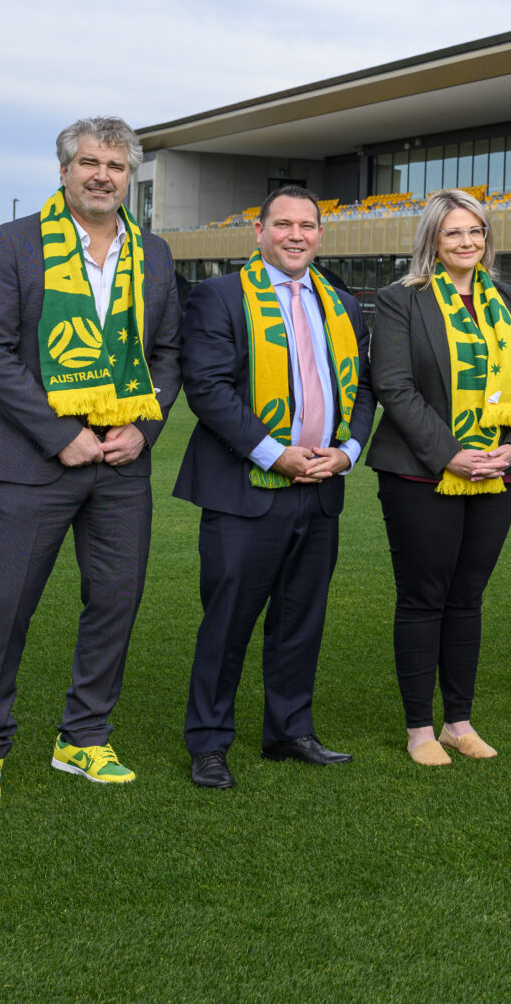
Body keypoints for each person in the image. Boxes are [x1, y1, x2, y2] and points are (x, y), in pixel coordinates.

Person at [0, 116, 182, 809]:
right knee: (7, 604)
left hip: (121, 461)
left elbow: (167, 354)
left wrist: (145, 426)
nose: (102, 175)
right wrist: (60, 433)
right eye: (89, 161)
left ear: (129, 177)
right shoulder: (13, 243)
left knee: (116, 599)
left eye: (116, 165)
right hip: (34, 458)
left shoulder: (155, 252)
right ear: (64, 171)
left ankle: (83, 734)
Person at [173, 186, 378, 789]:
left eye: (308, 226)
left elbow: (362, 390)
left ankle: (289, 731)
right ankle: (209, 742)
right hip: (246, 488)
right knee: (228, 621)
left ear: (319, 234)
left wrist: (347, 452)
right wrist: (274, 454)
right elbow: (207, 387)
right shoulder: (219, 295)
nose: (296, 235)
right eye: (282, 224)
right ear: (257, 232)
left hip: (319, 488)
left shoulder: (341, 303)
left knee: (301, 619)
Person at [367, 190, 511, 765]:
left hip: (496, 474)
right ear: (432, 241)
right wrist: (450, 454)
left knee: (468, 597)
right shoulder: (401, 300)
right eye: (454, 233)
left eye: (476, 232)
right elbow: (394, 386)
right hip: (421, 473)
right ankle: (420, 728)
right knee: (424, 597)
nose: (468, 242)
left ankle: (458, 722)